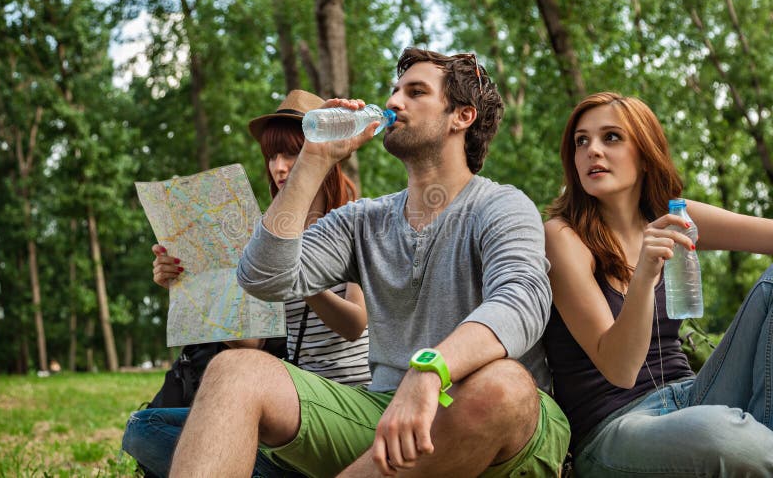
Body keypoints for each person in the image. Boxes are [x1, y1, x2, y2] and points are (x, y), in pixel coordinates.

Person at [169, 47, 571, 477]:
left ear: (463, 116)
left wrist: (431, 370)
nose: (394, 102)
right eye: (395, 91)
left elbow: (521, 300)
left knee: (502, 386)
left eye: (416, 92)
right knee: (234, 371)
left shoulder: (502, 206)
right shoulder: (364, 220)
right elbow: (262, 278)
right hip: (383, 412)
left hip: (504, 432)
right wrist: (313, 161)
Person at [122, 90, 372, 477]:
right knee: (143, 428)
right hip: (290, 407)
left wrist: (296, 277)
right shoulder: (266, 236)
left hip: (346, 408)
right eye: (272, 155)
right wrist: (193, 280)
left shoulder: (355, 222)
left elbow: (356, 324)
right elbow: (250, 344)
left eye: (291, 152)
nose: (279, 166)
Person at [543, 91, 773, 475]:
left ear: (645, 155)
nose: (591, 151)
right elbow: (619, 369)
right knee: (720, 434)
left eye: (611, 137)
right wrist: (646, 274)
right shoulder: (563, 237)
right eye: (581, 141)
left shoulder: (673, 215)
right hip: (617, 427)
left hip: (693, 395)